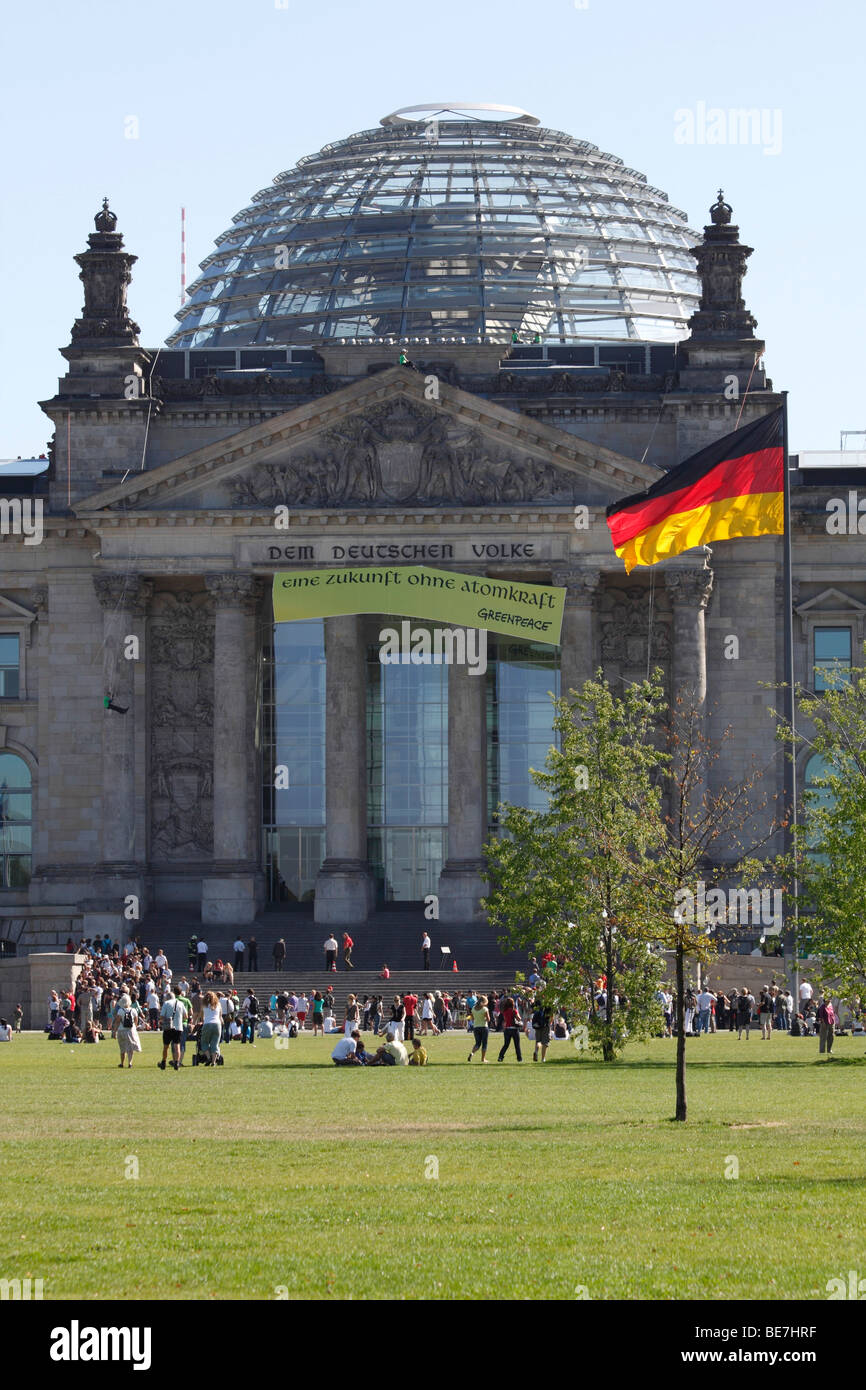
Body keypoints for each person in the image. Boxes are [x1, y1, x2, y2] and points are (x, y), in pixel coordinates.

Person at [112, 991, 143, 1068]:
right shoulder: (133, 1010)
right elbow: (136, 1020)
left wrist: (114, 1032)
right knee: (130, 1048)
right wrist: (134, 1028)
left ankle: (122, 1063)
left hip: (121, 1030)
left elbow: (117, 1022)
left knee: (122, 1048)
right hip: (131, 1030)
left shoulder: (120, 1011)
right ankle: (130, 1063)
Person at [159, 990, 187, 1071]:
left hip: (168, 1027)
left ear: (167, 998)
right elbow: (186, 1016)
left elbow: (161, 1016)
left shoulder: (166, 1003)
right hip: (178, 1027)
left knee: (166, 1046)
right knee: (177, 1045)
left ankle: (163, 1062)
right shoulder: (181, 1003)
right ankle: (177, 1063)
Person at [199, 990, 222, 1065]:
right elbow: (220, 1017)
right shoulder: (218, 1004)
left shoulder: (204, 1005)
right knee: (215, 1043)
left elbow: (202, 1018)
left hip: (207, 1024)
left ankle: (208, 1058)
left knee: (204, 1042)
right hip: (217, 1024)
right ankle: (213, 1062)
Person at [498, 995, 523, 1062]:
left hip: (507, 1029)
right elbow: (519, 1018)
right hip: (514, 1029)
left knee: (506, 1045)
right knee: (517, 1045)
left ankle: (500, 1057)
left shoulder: (505, 1011)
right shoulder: (514, 1011)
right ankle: (519, 1058)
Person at [468, 994, 490, 1063]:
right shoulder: (484, 1009)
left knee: (477, 1043)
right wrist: (483, 1018)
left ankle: (472, 1053)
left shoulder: (473, 1008)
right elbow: (488, 1019)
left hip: (476, 1027)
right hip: (484, 1027)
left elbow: (472, 1018)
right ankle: (483, 1059)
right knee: (484, 1044)